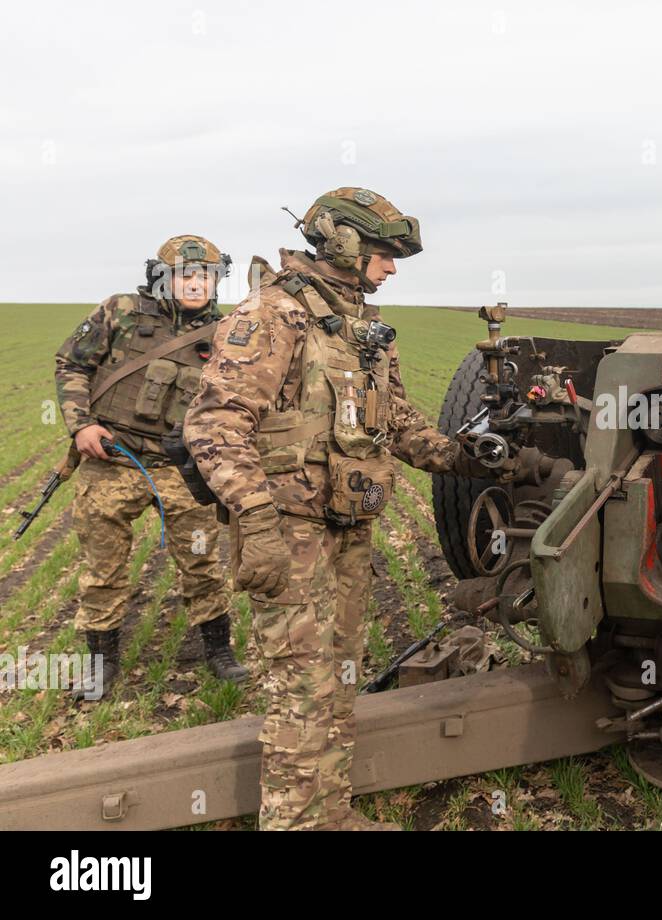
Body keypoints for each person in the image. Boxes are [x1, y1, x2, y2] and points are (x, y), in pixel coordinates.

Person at [184, 188, 479, 830]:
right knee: (301, 689)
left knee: (337, 675)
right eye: (385, 253)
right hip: (287, 531)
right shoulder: (274, 314)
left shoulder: (360, 327)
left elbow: (394, 418)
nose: (393, 267)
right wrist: (255, 522)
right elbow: (215, 423)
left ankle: (330, 817)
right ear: (343, 242)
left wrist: (462, 456)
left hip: (347, 525)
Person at [55, 235, 248, 701]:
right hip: (113, 461)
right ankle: (101, 663)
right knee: (103, 569)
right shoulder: (120, 311)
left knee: (202, 564)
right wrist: (81, 426)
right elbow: (71, 364)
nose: (197, 283)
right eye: (185, 275)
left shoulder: (227, 335)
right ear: (161, 278)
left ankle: (218, 651)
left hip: (182, 469)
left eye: (207, 276)